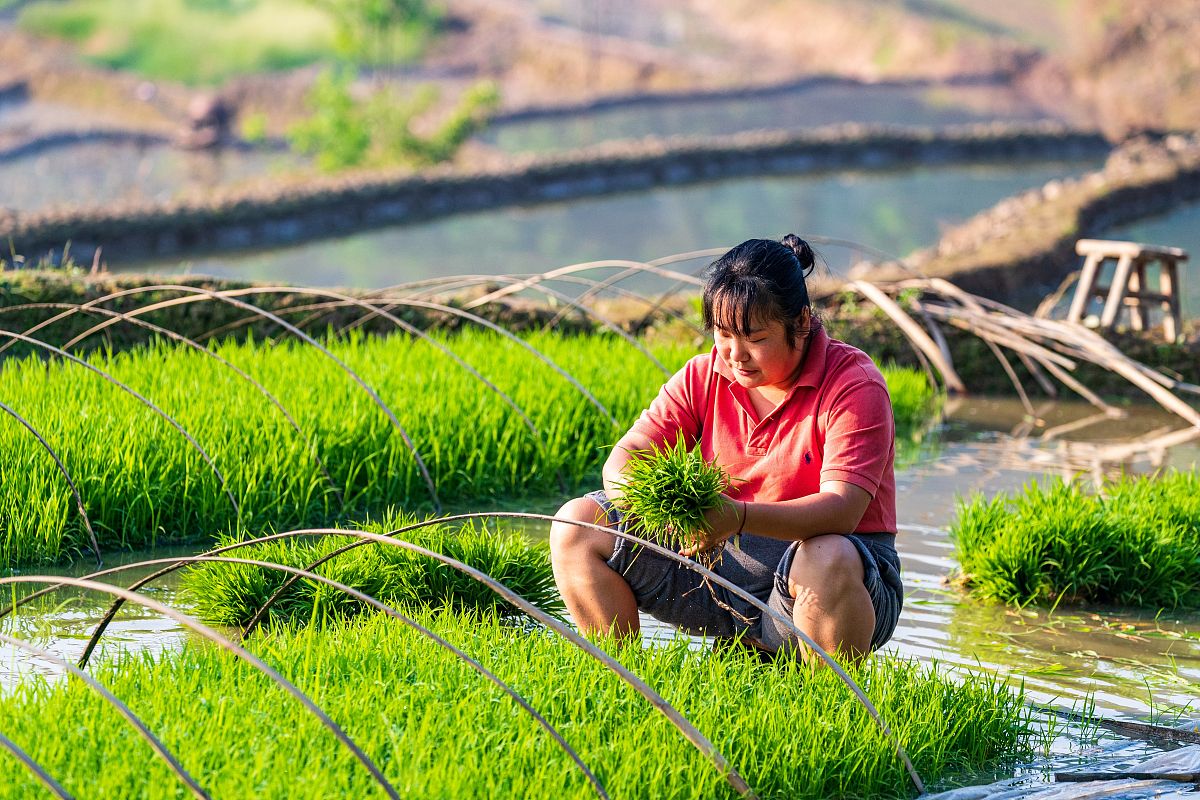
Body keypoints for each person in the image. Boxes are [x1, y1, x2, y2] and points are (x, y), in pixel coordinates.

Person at [549, 234, 903, 661]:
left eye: (756, 338)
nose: (736, 355)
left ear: (802, 323)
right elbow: (625, 459)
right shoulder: (706, 374)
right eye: (723, 334)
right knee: (579, 524)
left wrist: (736, 516)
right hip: (717, 566)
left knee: (827, 554)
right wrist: (669, 509)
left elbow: (842, 510)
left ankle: (830, 702)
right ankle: (622, 676)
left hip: (835, 574)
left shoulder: (853, 384)